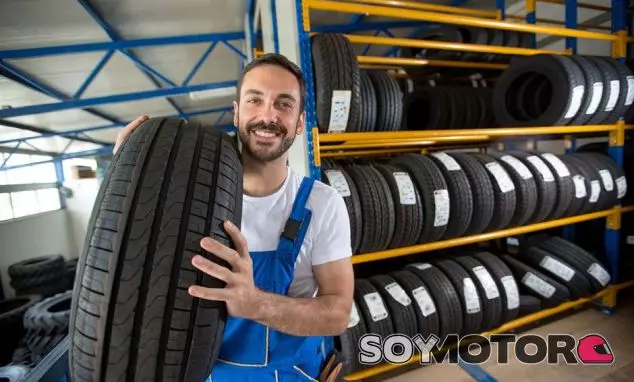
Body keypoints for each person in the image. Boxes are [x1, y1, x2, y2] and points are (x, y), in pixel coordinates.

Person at [113, 53, 354, 381]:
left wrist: (256, 304)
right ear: (237, 111)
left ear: (299, 122)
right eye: (255, 100)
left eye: (283, 104)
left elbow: (338, 314)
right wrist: (128, 174)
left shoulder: (322, 204)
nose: (267, 116)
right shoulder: (186, 201)